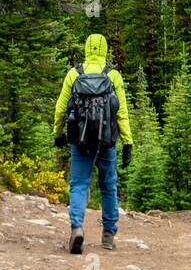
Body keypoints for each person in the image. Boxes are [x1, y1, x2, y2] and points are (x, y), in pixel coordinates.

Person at [53, 32, 133, 253]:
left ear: (87, 49)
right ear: (105, 50)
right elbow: (122, 111)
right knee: (108, 186)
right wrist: (128, 142)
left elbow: (61, 107)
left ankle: (77, 228)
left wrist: (58, 133)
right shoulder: (113, 75)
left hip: (79, 140)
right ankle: (108, 235)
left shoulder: (74, 73)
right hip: (106, 142)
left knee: (79, 184)